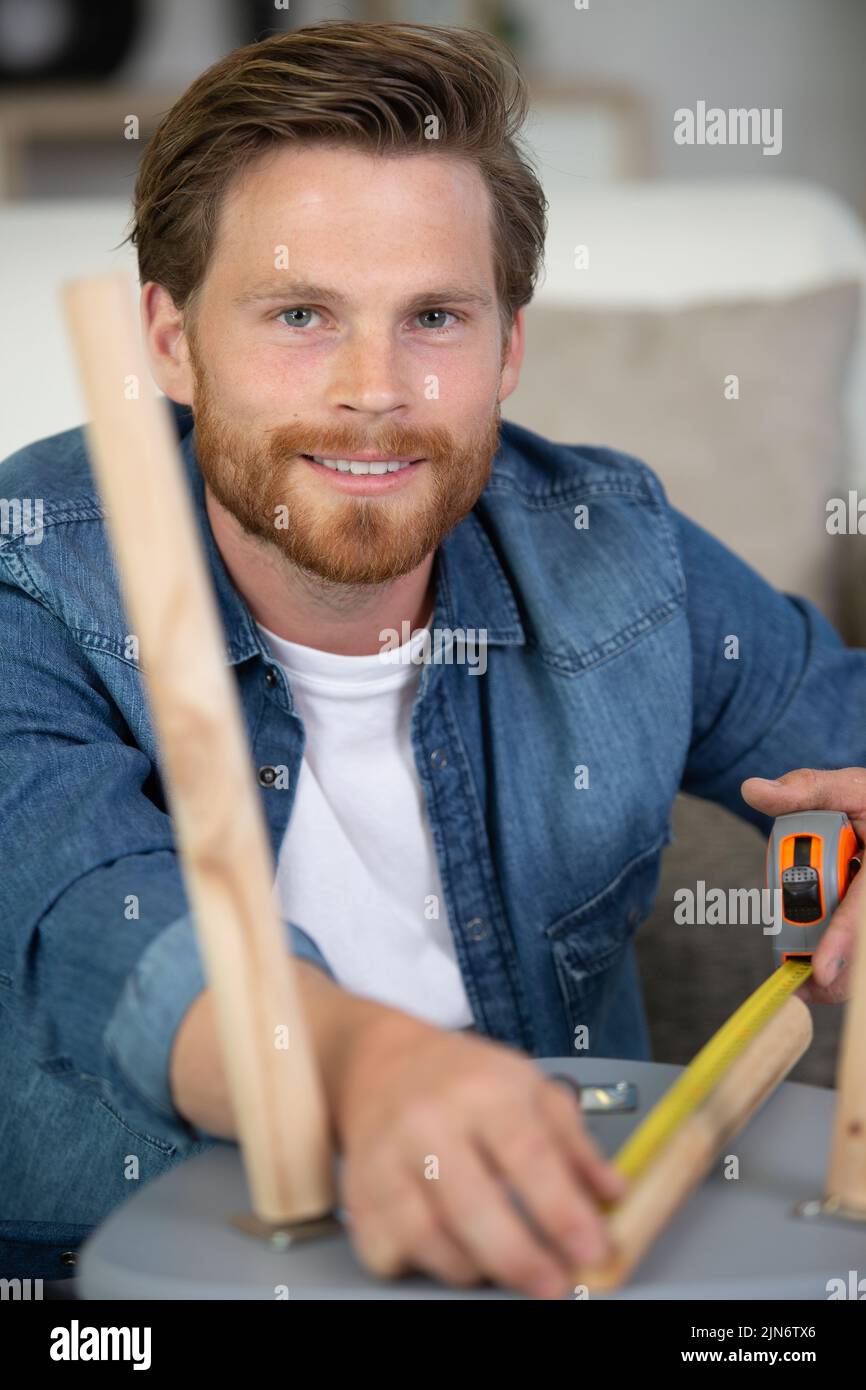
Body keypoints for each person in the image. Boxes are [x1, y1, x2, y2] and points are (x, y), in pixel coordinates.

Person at [1, 20, 864, 1299]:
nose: (376, 390)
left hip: (566, 1248)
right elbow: (94, 921)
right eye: (301, 313)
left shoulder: (609, 547)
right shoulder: (30, 576)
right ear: (170, 340)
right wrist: (368, 1069)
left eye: (435, 317)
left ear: (508, 347)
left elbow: (842, 724)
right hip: (114, 1286)